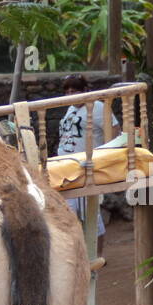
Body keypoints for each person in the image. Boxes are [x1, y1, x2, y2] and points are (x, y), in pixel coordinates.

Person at [54, 73, 115, 256]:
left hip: (84, 167)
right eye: (67, 91)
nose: (71, 94)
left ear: (85, 90)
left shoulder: (96, 107)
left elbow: (114, 131)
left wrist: (104, 158)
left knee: (90, 213)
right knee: (70, 213)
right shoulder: (71, 109)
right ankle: (80, 256)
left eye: (75, 90)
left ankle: (96, 256)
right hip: (65, 167)